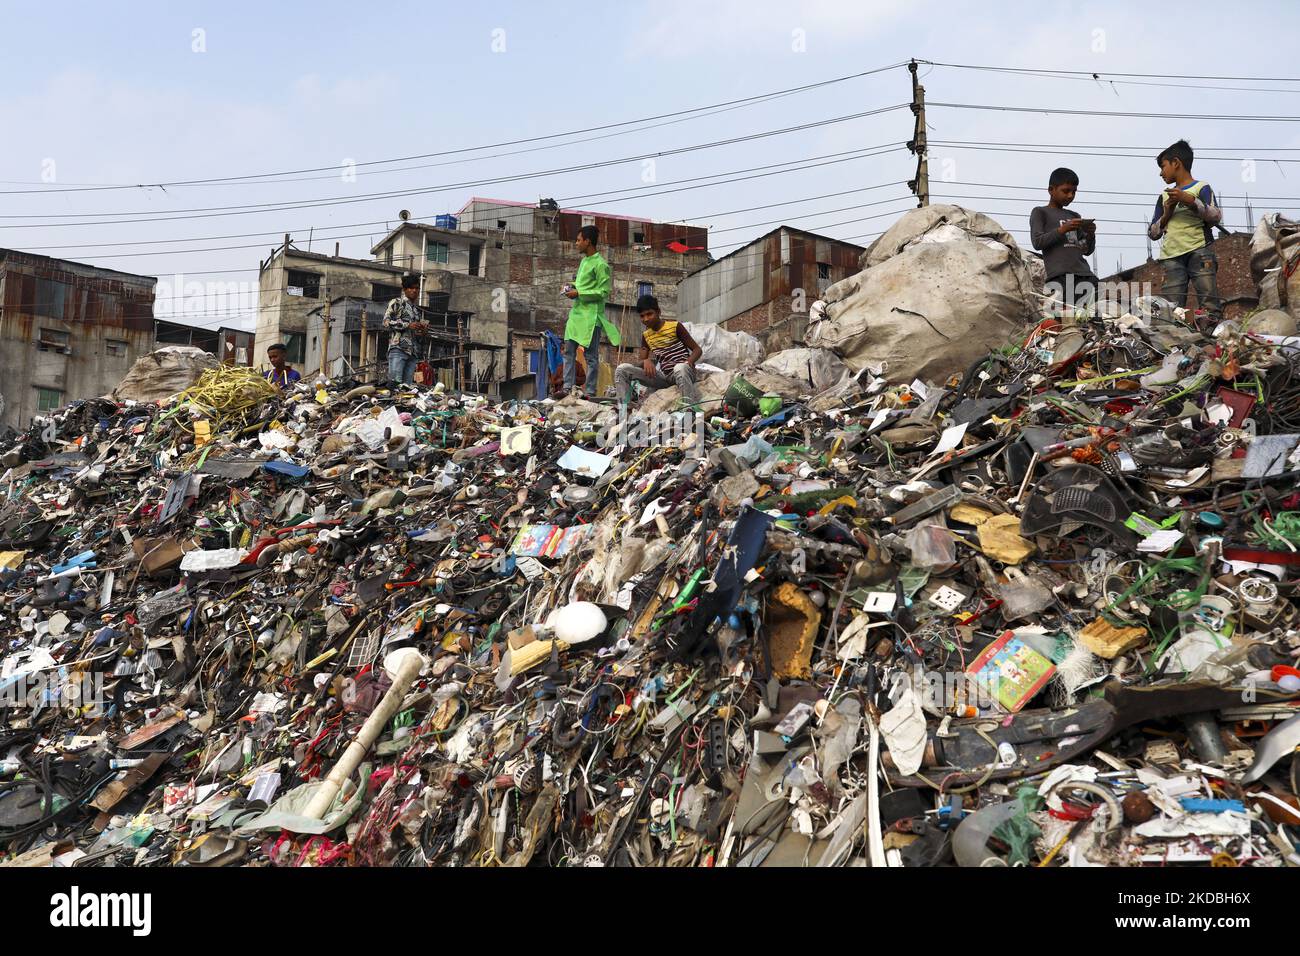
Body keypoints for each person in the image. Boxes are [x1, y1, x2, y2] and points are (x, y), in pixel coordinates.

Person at [1148, 139, 1223, 329]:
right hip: (1171, 256)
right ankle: (1177, 343)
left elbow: (1215, 216)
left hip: (1200, 251)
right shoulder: (1164, 196)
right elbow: (1153, 233)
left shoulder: (1201, 188)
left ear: (1176, 163)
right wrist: (1167, 214)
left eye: (1163, 166)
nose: (1160, 172)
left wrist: (1190, 201)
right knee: (1171, 309)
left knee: (1209, 302)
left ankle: (1208, 338)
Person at [614, 294, 702, 408]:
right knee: (622, 369)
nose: (646, 319)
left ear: (658, 312)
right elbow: (641, 361)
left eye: (649, 314)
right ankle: (624, 410)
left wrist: (688, 362)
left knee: (679, 368)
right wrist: (646, 360)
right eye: (642, 316)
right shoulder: (646, 336)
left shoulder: (675, 326)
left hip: (683, 373)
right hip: (665, 378)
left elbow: (697, 350)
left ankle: (689, 409)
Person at [562, 225, 619, 398]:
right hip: (576, 313)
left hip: (591, 316)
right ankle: (567, 388)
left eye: (579, 240)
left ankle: (591, 391)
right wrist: (571, 289)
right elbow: (582, 287)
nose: (576, 243)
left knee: (591, 357)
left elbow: (603, 292)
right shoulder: (583, 261)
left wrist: (579, 293)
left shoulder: (601, 265)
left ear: (588, 241)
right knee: (569, 351)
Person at [1029, 167, 1098, 312]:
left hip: (1085, 274)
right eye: (1066, 191)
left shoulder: (1074, 215)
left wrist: (1090, 235)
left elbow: (1086, 250)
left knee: (1097, 314)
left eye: (1074, 192)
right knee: (1069, 319)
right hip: (1061, 278)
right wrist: (1062, 229)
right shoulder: (1040, 212)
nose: (1070, 195)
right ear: (1051, 190)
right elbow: (1037, 242)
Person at [383, 274, 427, 384]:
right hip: (398, 349)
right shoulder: (397, 303)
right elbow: (386, 322)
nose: (414, 291)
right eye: (411, 288)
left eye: (417, 288)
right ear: (404, 289)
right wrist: (407, 325)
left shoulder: (416, 311)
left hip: (413, 354)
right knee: (395, 384)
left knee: (406, 389)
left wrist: (423, 331)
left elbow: (417, 335)